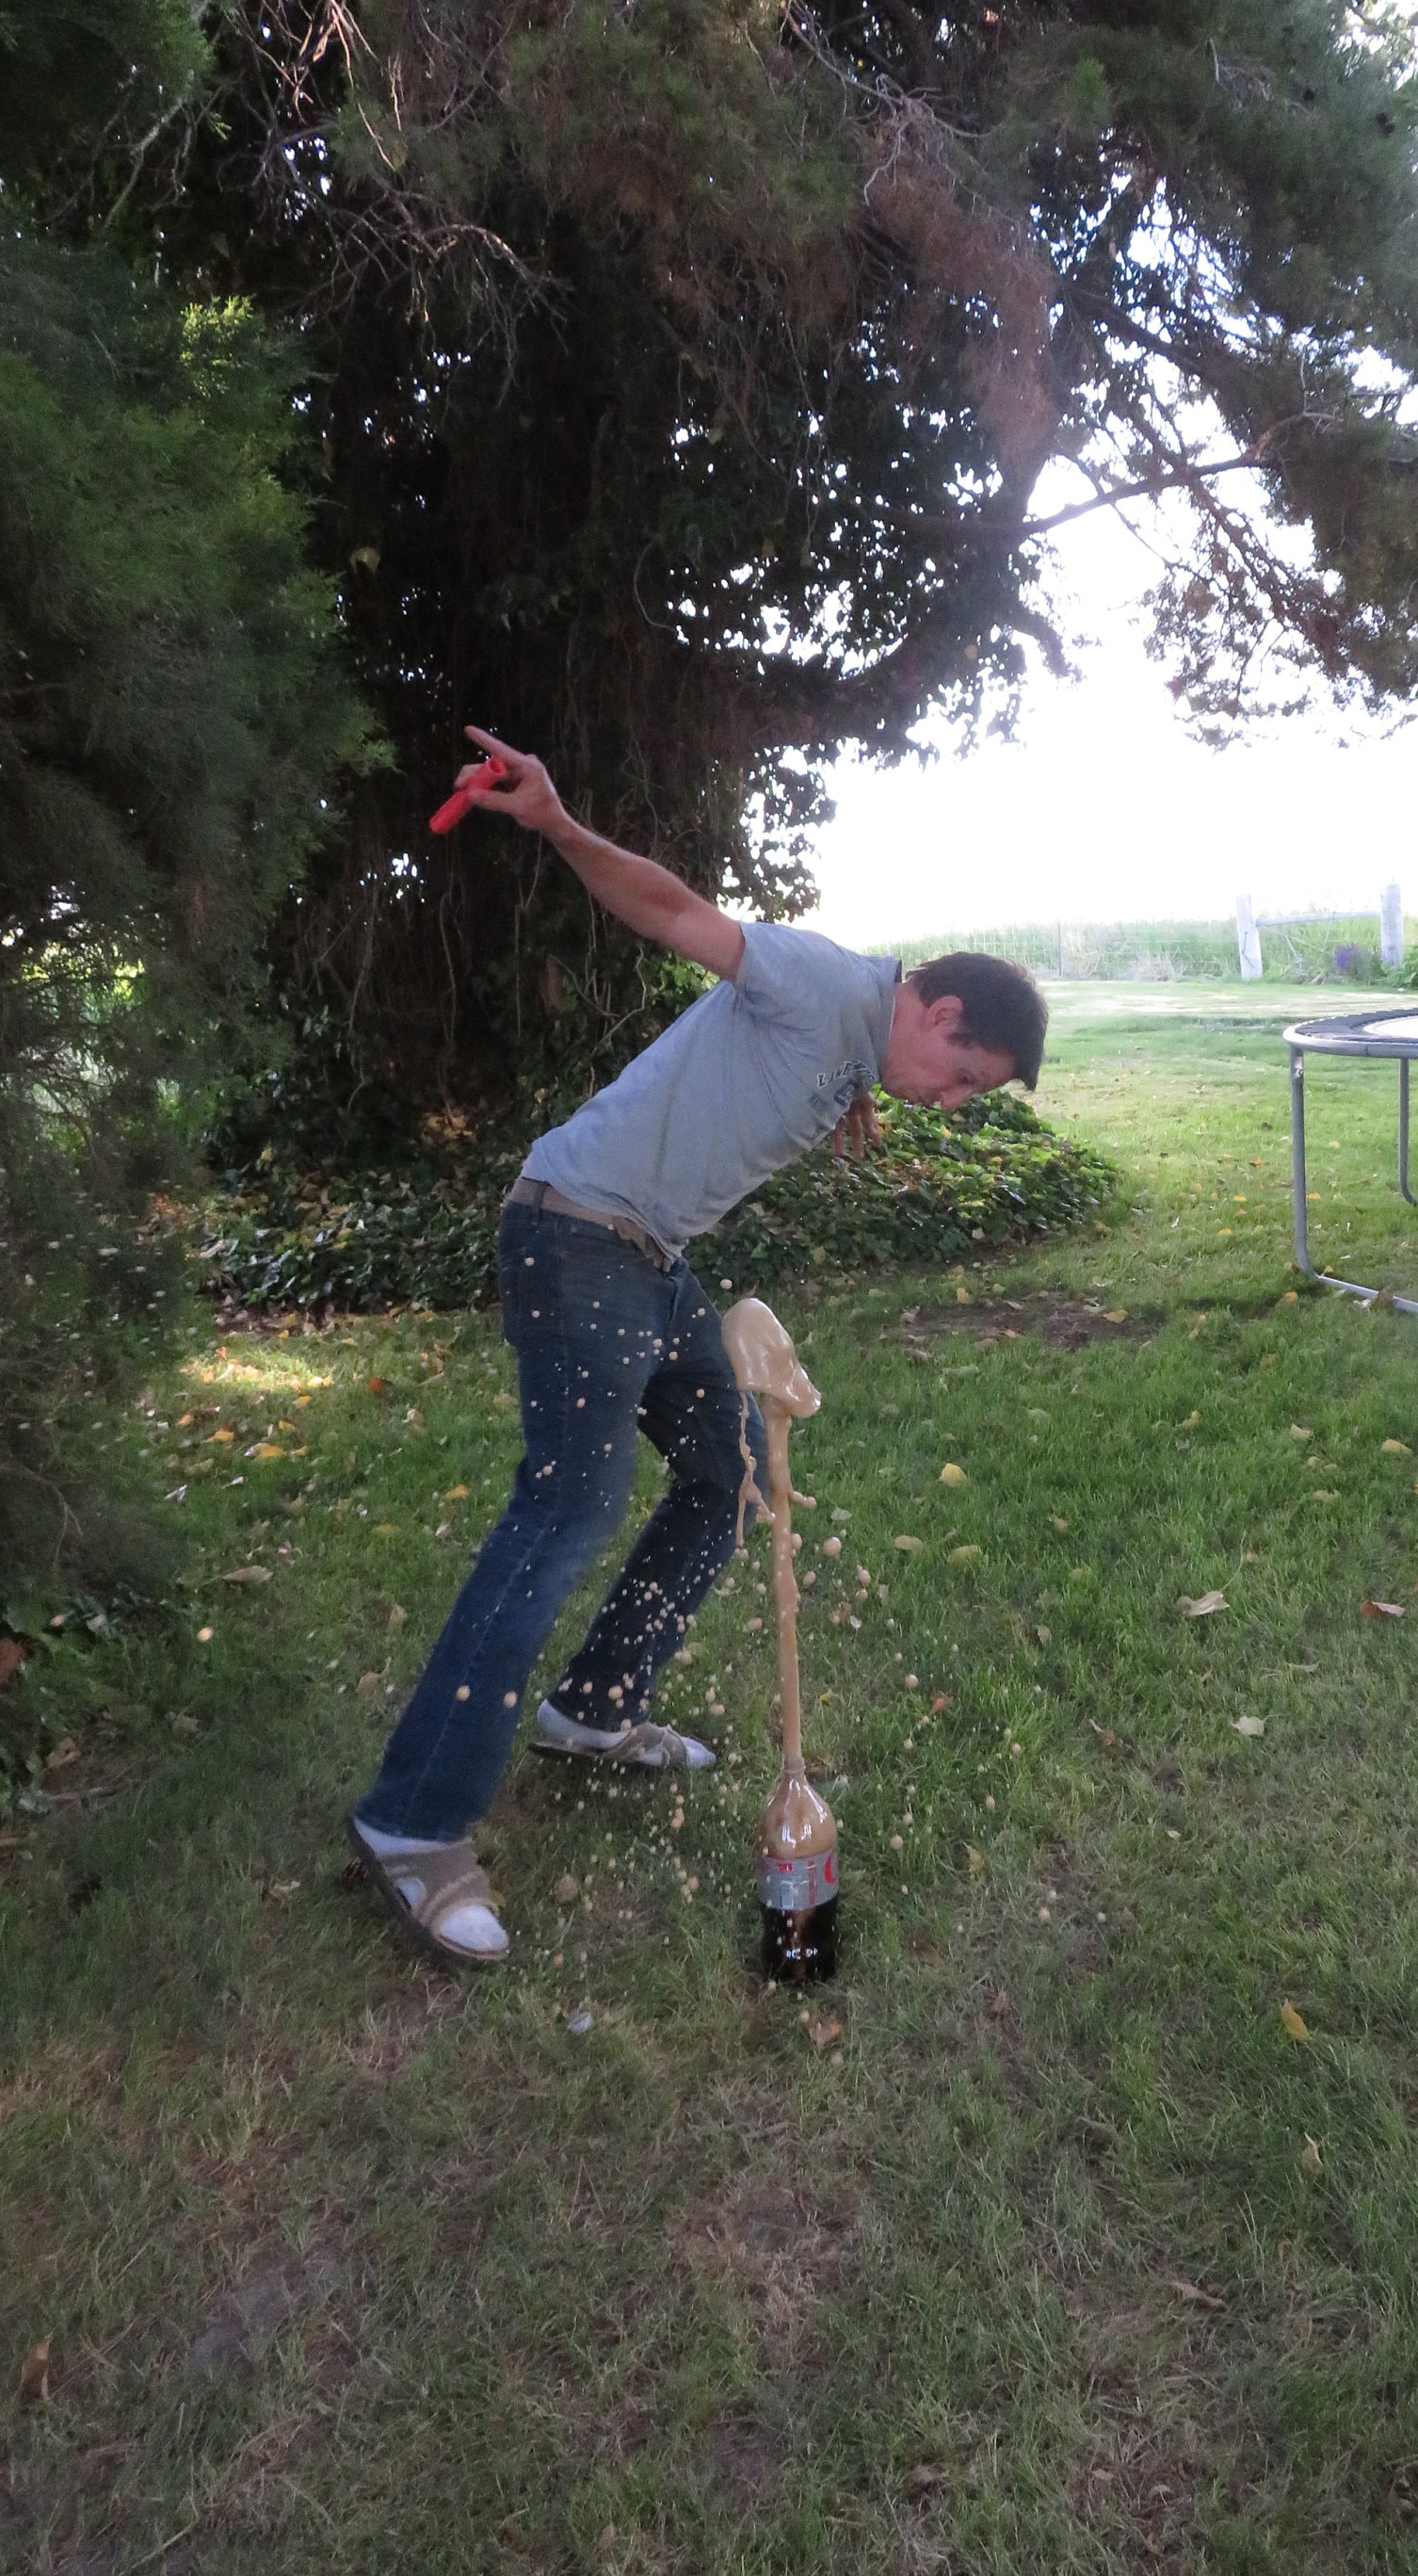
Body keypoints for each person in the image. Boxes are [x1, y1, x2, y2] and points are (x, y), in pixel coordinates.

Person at [348, 729, 1047, 1966]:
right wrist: (559, 823)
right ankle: (412, 1825)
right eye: (960, 1077)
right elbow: (671, 910)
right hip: (574, 1235)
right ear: (936, 1010)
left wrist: (861, 1092)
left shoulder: (846, 1035)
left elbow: (802, 1062)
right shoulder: (827, 983)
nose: (950, 1105)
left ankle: (594, 1709)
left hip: (647, 1257)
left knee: (731, 1474)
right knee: (565, 1514)